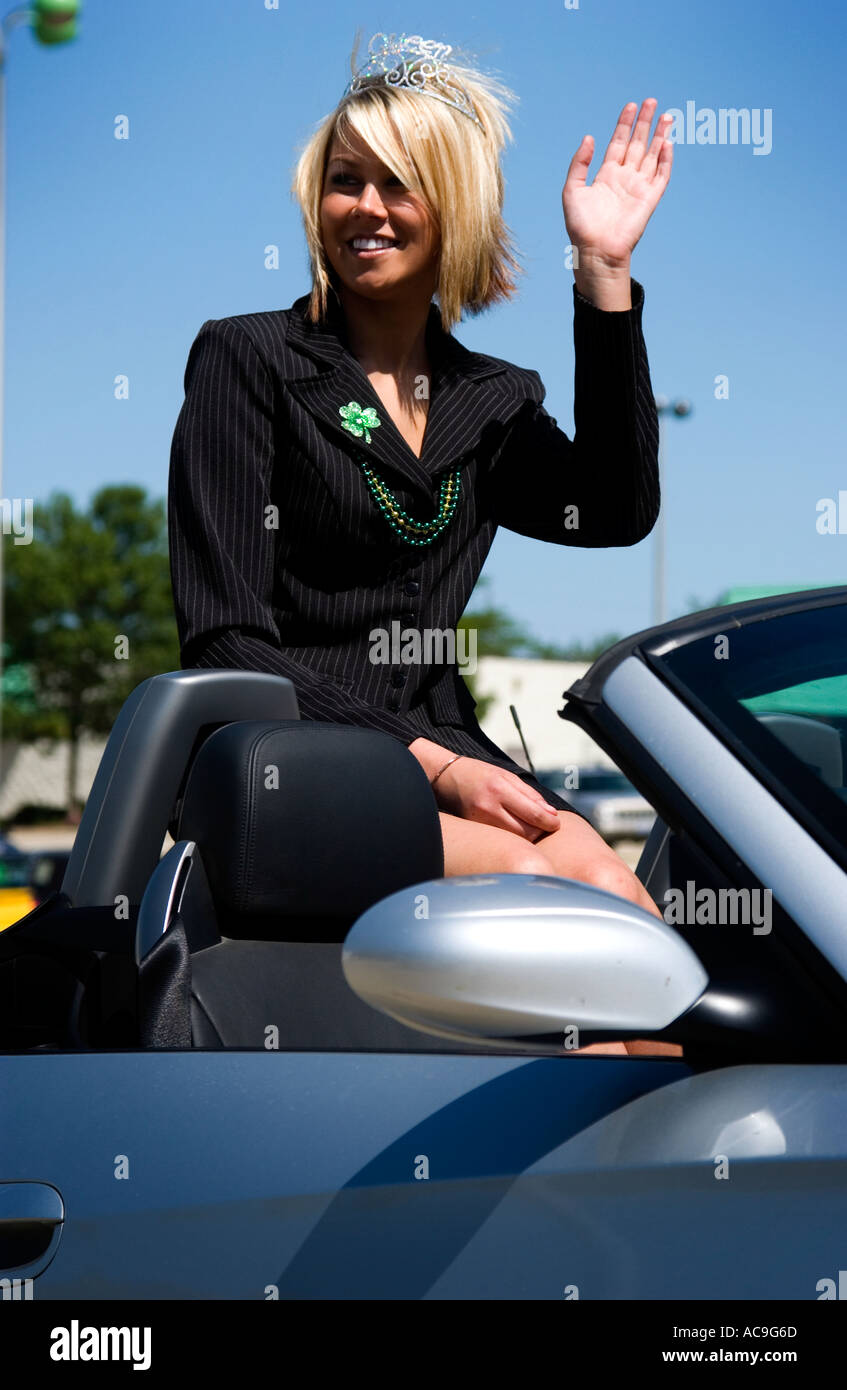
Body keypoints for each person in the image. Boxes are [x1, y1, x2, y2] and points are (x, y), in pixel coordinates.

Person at [168, 33, 679, 1055]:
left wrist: (604, 273)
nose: (365, 209)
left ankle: (664, 1191)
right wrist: (432, 768)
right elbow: (224, 636)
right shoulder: (249, 360)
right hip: (294, 765)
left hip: (451, 753)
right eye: (344, 182)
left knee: (630, 923)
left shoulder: (492, 399)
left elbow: (613, 511)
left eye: (397, 184)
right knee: (544, 897)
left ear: (454, 205)